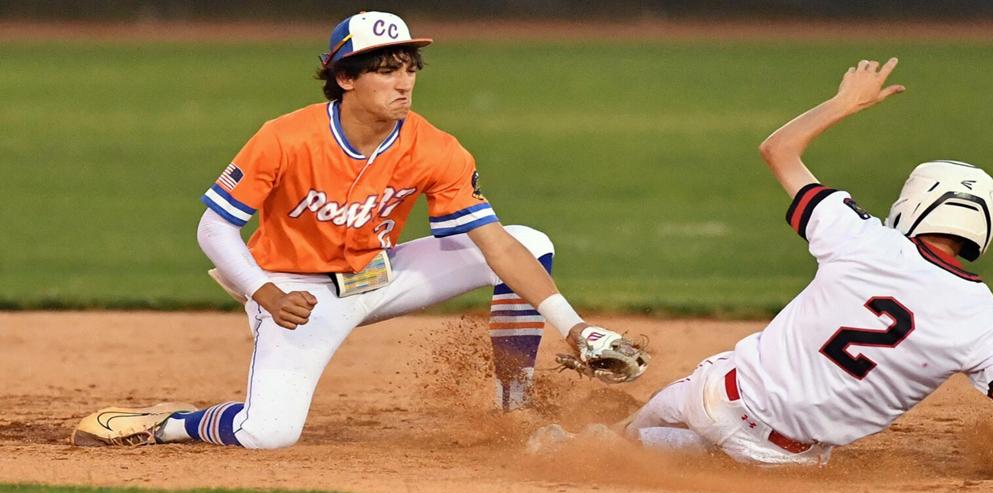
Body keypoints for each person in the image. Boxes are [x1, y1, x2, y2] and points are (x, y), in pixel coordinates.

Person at [72, 10, 647, 449]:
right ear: (344, 77)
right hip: (294, 295)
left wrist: (575, 330)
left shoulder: (434, 147)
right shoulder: (286, 136)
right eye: (385, 69)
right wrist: (263, 292)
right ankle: (169, 424)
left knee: (529, 240)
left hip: (378, 276)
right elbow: (214, 227)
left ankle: (513, 401)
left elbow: (492, 242)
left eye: (409, 68)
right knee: (267, 434)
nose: (404, 82)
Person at [618, 58, 993, 475]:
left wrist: (844, 103)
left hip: (712, 398)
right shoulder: (985, 320)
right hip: (774, 458)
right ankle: (637, 451)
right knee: (673, 461)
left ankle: (577, 447)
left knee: (612, 446)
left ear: (914, 204)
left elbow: (778, 150)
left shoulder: (862, 237)